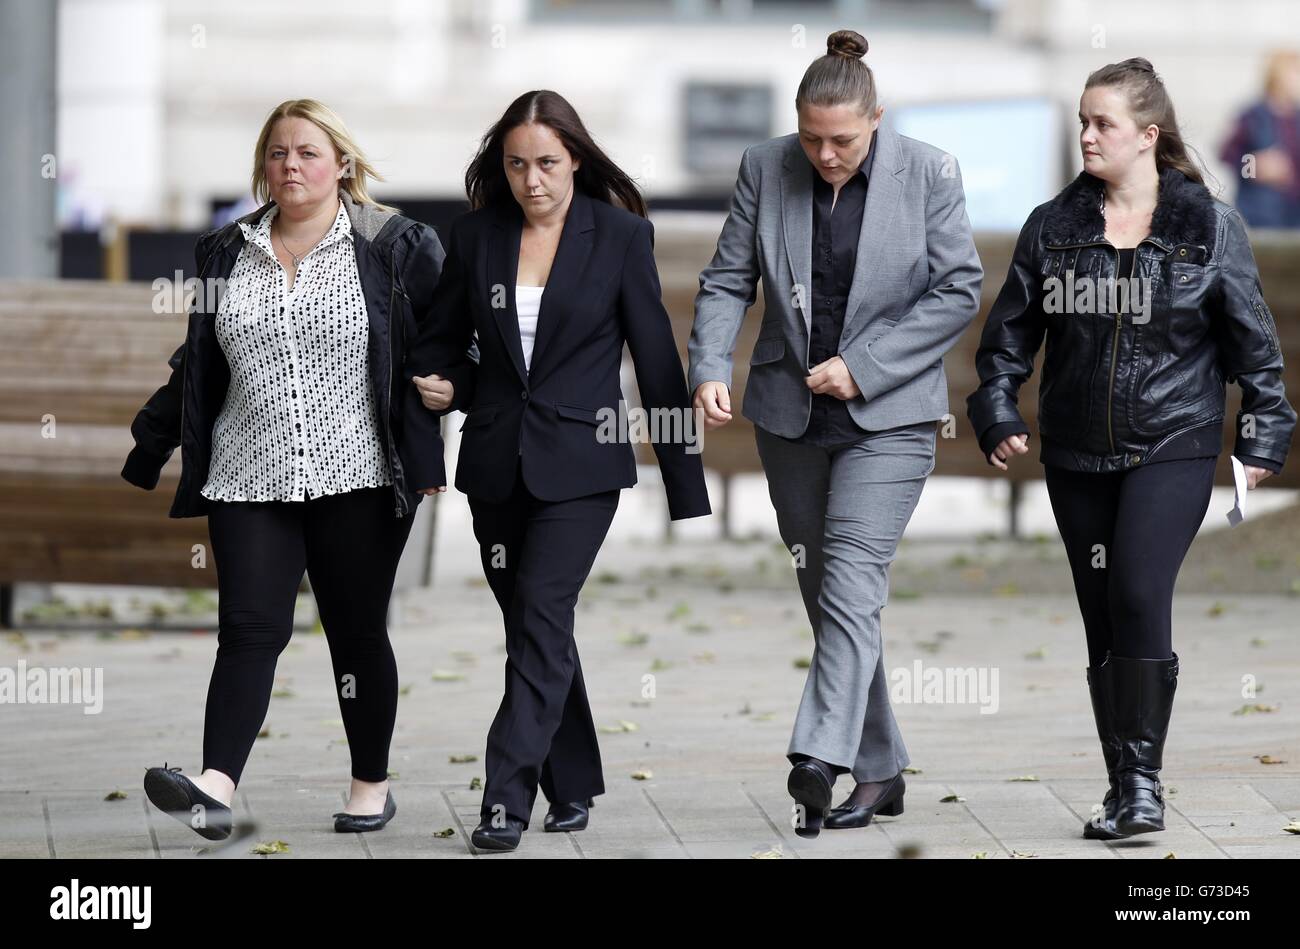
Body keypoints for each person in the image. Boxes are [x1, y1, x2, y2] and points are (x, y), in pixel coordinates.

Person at [967, 58, 1295, 840]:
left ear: (1148, 136)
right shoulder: (1055, 225)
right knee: (1101, 611)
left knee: (1140, 592)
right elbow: (1007, 338)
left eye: (1102, 123)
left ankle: (1143, 785)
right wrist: (996, 408)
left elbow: (1256, 348)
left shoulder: (1207, 227)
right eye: (1083, 120)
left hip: (1172, 442)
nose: (1087, 134)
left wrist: (1261, 435)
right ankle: (1122, 784)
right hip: (1076, 452)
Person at [122, 98, 455, 839]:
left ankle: (371, 783)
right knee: (246, 628)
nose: (291, 165)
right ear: (261, 168)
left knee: (356, 632)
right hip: (248, 472)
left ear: (342, 162)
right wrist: (152, 441)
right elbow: (200, 360)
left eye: (307, 152)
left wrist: (447, 388)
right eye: (277, 153)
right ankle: (215, 786)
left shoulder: (395, 244)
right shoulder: (224, 252)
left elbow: (451, 336)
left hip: (360, 475)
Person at [688, 29, 982, 837]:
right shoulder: (764, 165)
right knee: (829, 593)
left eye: (843, 140)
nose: (824, 154)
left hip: (887, 418)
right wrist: (710, 362)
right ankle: (881, 766)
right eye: (811, 137)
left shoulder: (929, 172)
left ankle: (817, 755)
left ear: (877, 118)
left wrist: (864, 363)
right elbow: (725, 277)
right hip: (789, 417)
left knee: (851, 577)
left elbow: (958, 289)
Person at [406, 89, 711, 852]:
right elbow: (443, 344)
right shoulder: (476, 236)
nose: (531, 180)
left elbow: (656, 358)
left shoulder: (619, 236)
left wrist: (683, 484)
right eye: (516, 165)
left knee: (540, 617)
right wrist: (449, 385)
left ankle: (504, 800)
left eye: (545, 162)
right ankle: (571, 782)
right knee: (534, 628)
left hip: (583, 466)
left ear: (575, 156)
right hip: (495, 464)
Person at [1219, 50, 1300, 228]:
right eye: (1294, 71)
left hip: (1294, 217)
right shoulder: (1251, 116)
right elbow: (1227, 156)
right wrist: (1255, 166)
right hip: (1261, 216)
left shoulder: (1297, 117)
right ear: (1278, 75)